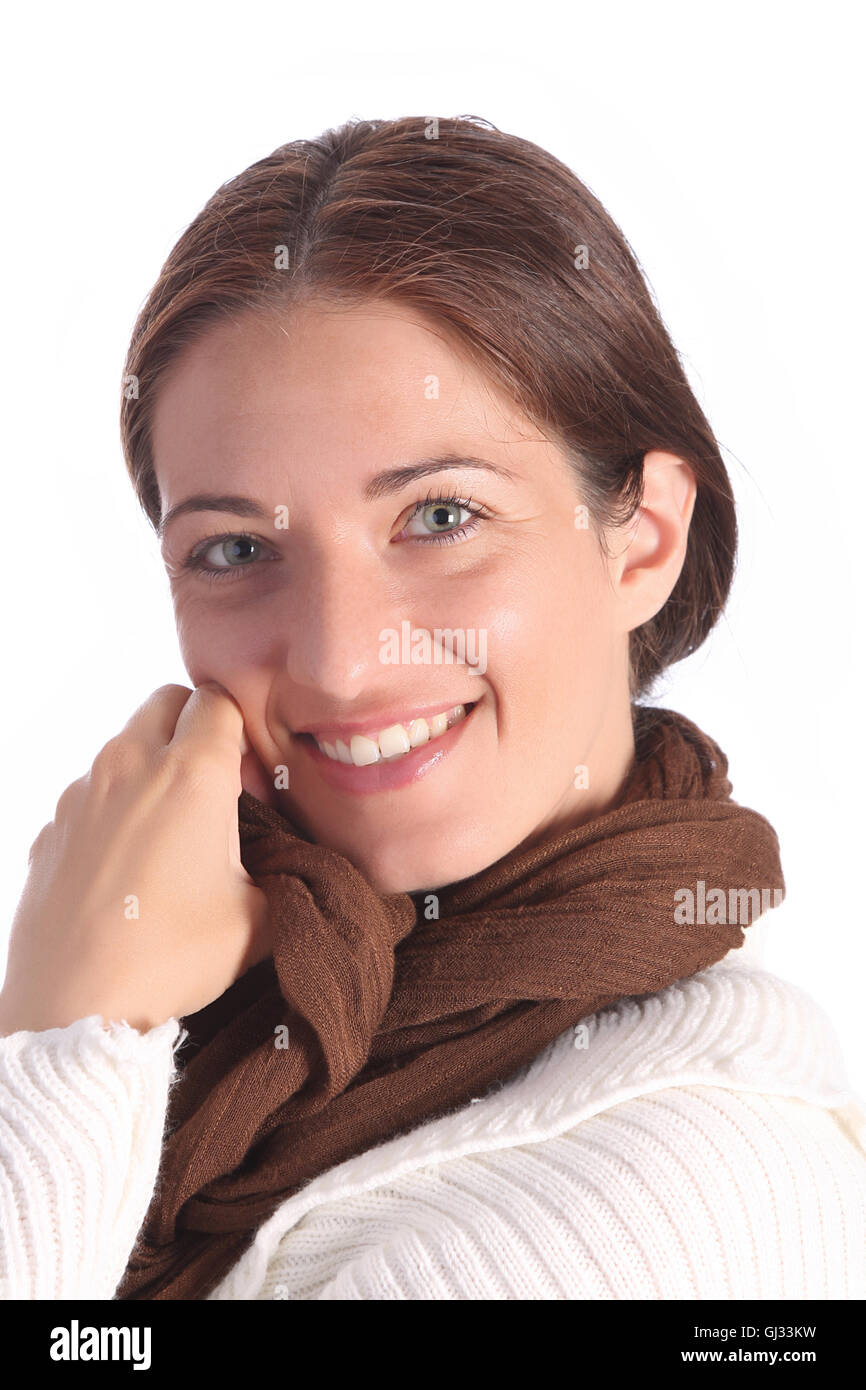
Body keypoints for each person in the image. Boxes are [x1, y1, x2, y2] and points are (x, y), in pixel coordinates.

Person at [1, 115, 864, 1301]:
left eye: (440, 516)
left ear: (641, 540)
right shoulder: (222, 1010)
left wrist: (61, 1045)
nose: (344, 662)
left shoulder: (664, 1212)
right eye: (237, 545)